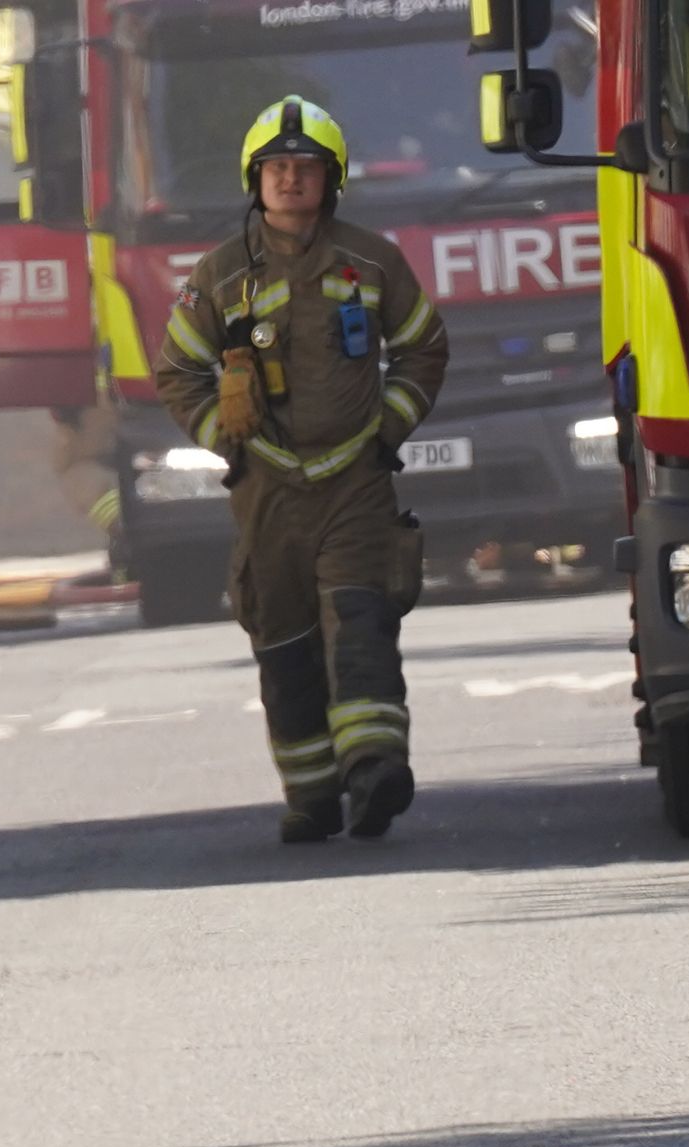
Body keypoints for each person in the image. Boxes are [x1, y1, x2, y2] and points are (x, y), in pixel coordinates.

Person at [152, 95, 447, 843]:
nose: (290, 180)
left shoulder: (373, 261)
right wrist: (229, 437)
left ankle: (376, 767)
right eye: (276, 168)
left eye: (305, 168)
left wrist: (389, 429)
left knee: (360, 622)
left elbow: (423, 348)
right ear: (254, 179)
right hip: (267, 490)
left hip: (355, 479)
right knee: (283, 641)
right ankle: (312, 794)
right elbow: (178, 371)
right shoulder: (219, 276)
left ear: (331, 179)